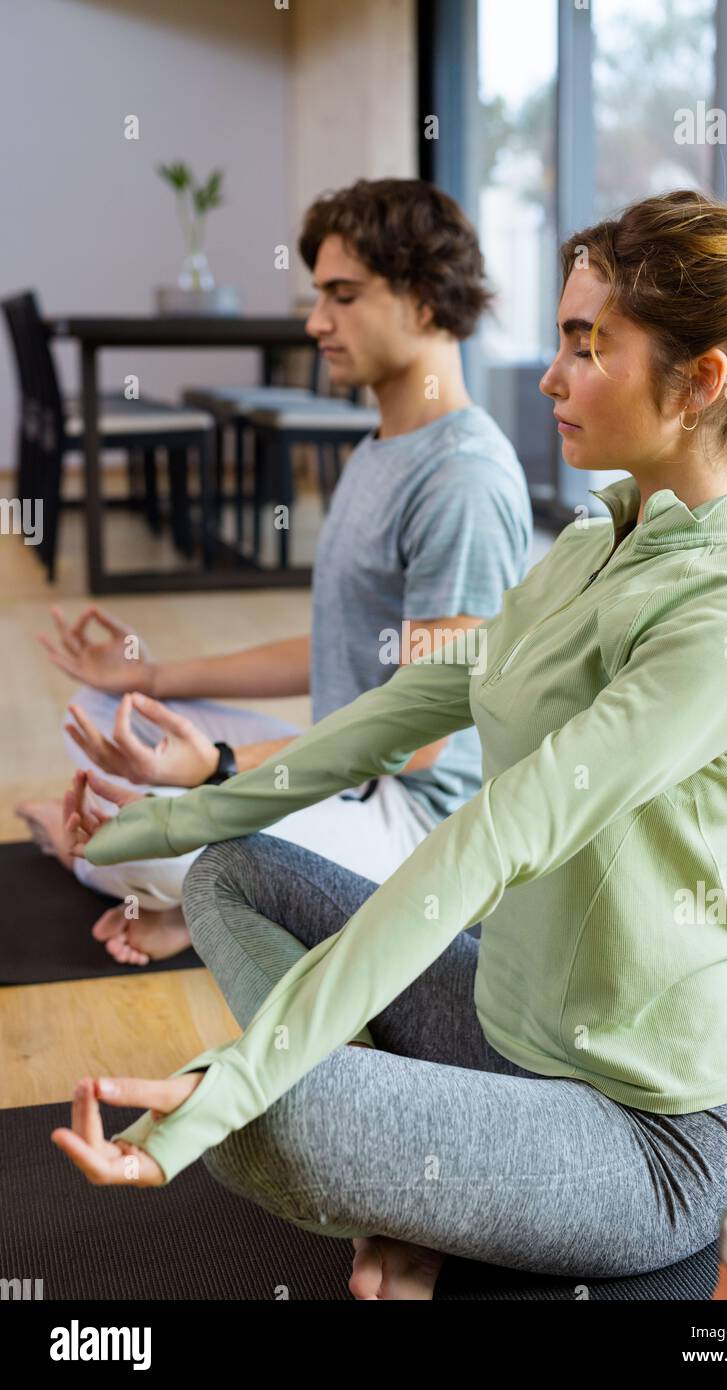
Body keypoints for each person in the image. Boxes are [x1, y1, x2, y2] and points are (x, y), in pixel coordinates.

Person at [52, 190, 727, 1300]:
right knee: (230, 870)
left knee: (271, 1122)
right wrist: (155, 821)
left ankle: (418, 1170)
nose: (551, 373)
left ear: (704, 380)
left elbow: (496, 834)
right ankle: (438, 1174)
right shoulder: (593, 540)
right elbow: (395, 712)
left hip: (652, 1133)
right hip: (503, 1027)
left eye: (591, 346)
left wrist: (233, 1082)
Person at [16, 177, 532, 964]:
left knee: (135, 840)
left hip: (416, 827)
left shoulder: (461, 478)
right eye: (318, 294)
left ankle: (140, 871)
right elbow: (332, 643)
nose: (315, 320)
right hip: (346, 776)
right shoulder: (381, 447)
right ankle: (211, 897)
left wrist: (219, 770)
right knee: (100, 713)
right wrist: (154, 674)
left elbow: (418, 743)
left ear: (425, 300)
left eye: (342, 296)